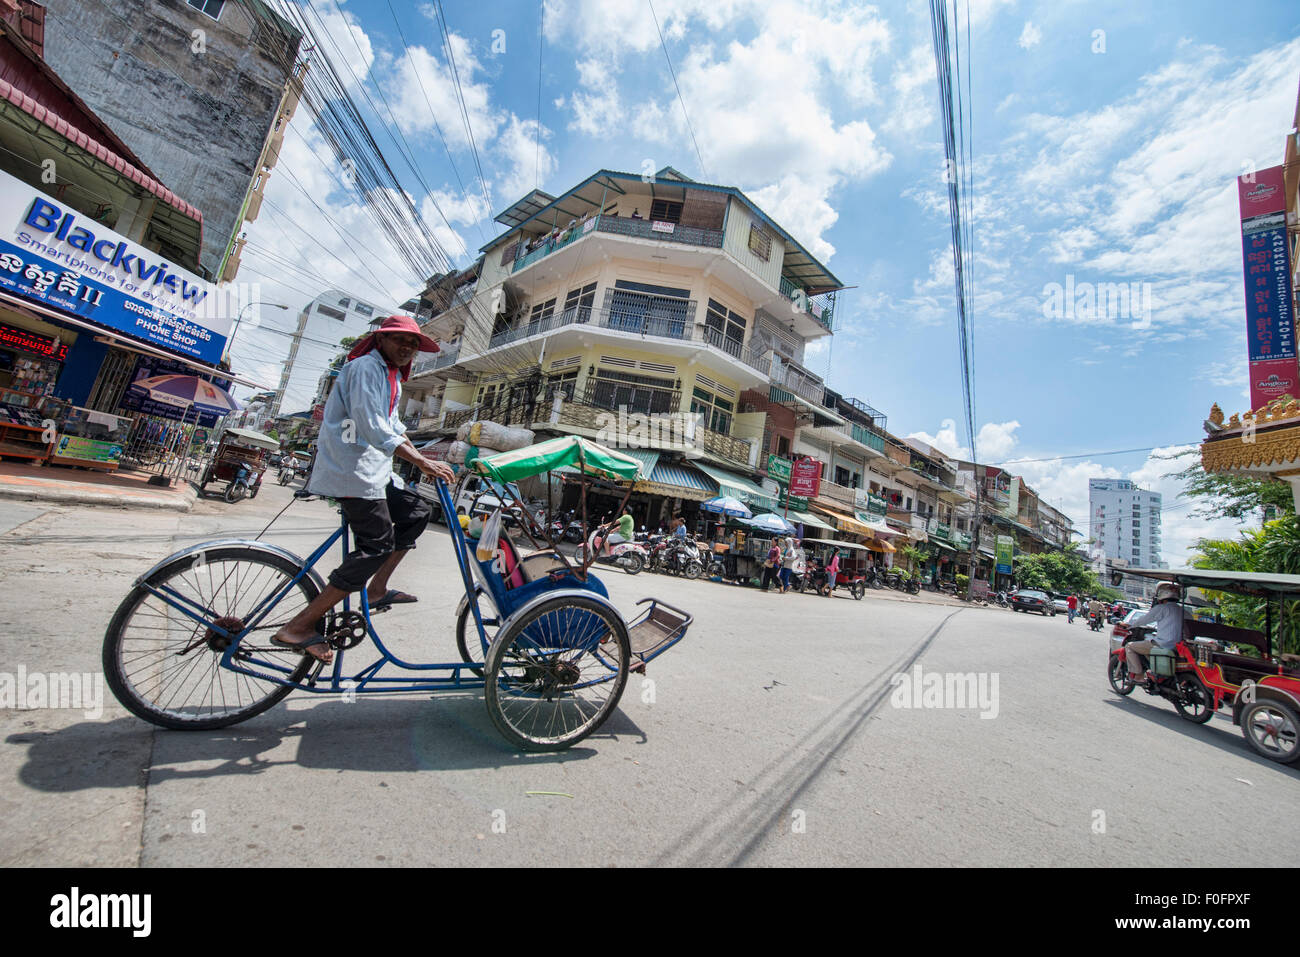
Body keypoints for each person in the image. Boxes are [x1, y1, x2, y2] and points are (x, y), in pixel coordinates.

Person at [271, 316, 456, 663]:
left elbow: (395, 427)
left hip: (374, 473)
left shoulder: (392, 380)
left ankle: (376, 590)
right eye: (399, 340)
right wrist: (422, 463)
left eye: (413, 344)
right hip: (351, 472)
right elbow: (373, 428)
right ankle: (300, 626)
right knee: (375, 546)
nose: (406, 348)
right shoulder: (364, 370)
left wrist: (421, 458)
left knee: (416, 513)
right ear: (381, 341)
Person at [1125, 582, 1192, 681]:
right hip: (1177, 647)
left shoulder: (1162, 608)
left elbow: (1143, 620)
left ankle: (1139, 675)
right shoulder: (1184, 611)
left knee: (1129, 646)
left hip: (1162, 644)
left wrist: (1129, 625)